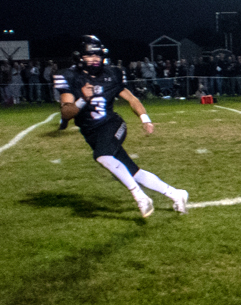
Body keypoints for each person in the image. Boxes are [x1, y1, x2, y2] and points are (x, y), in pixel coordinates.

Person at [54, 36, 188, 218]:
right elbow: (66, 112)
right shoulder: (71, 77)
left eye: (97, 55)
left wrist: (145, 119)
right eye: (89, 55)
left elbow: (132, 99)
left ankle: (140, 197)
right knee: (134, 172)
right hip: (90, 132)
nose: (95, 59)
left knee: (102, 156)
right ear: (79, 57)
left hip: (112, 124)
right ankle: (176, 194)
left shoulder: (111, 74)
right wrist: (83, 99)